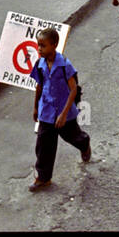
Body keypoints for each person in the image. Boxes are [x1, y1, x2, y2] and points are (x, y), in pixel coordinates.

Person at [28, 26, 90, 190]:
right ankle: (43, 177)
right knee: (43, 146)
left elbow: (73, 89)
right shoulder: (40, 64)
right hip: (47, 111)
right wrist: (35, 107)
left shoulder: (64, 65)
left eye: (43, 45)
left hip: (65, 112)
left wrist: (63, 114)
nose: (39, 49)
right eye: (38, 45)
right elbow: (39, 86)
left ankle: (84, 144)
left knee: (73, 136)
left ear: (54, 45)